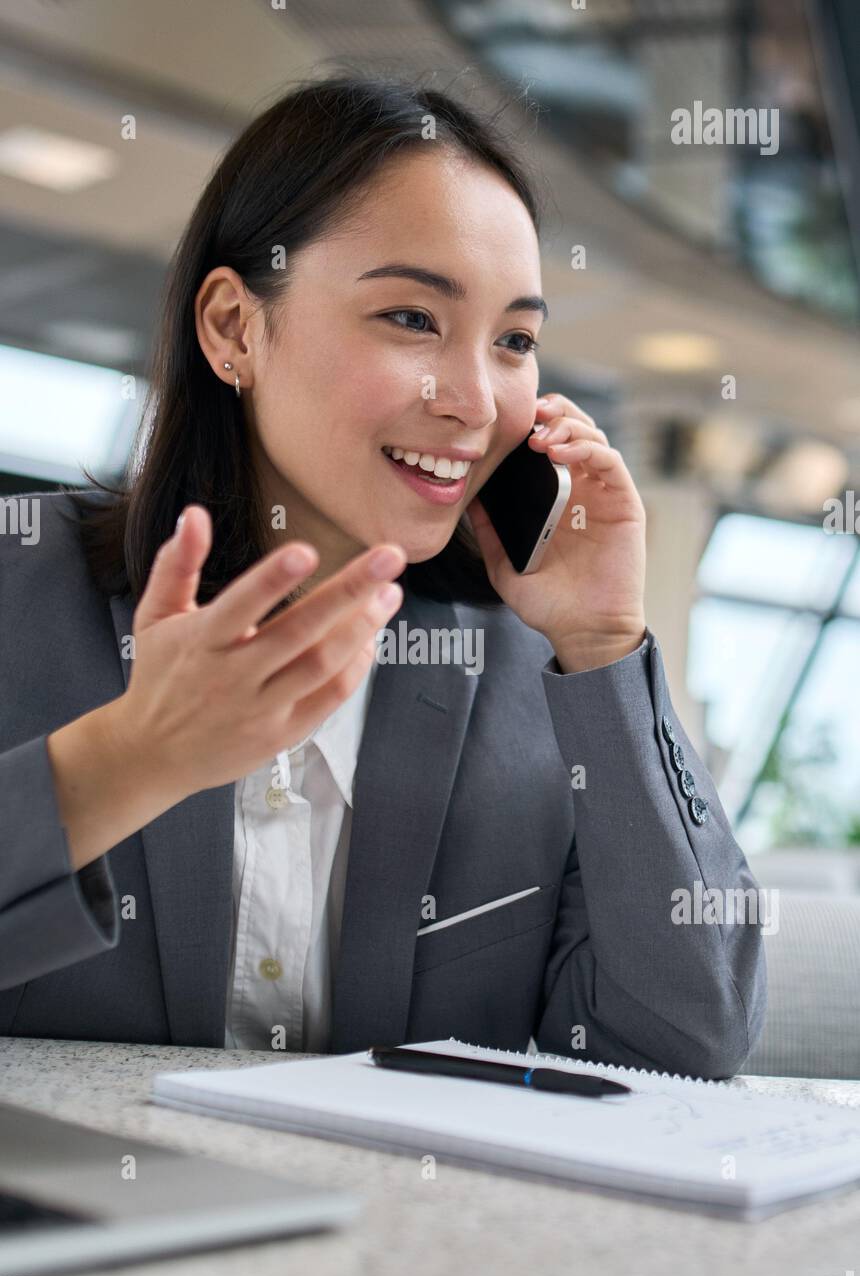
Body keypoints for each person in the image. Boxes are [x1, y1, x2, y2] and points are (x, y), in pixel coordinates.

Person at [0, 74, 766, 1075]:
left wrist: (602, 645)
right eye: (411, 318)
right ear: (235, 327)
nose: (474, 401)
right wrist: (130, 758)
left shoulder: (541, 680)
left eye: (514, 341)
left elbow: (684, 1040)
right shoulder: (19, 589)